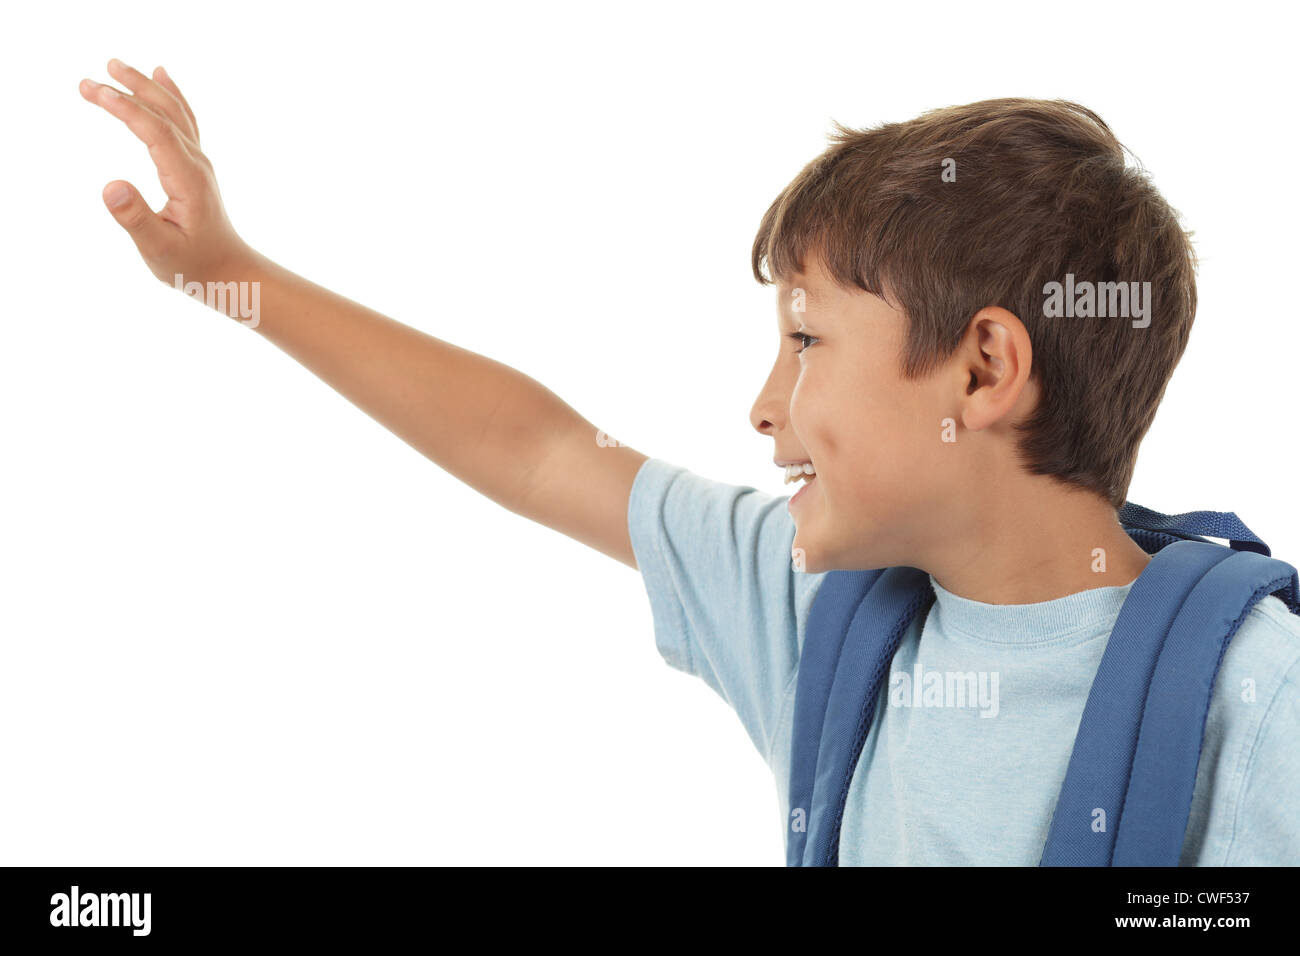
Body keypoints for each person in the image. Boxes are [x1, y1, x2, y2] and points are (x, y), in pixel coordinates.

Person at [80, 60, 1300, 864]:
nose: (763, 406)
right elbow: (543, 446)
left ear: (981, 371)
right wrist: (230, 276)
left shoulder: (1260, 699)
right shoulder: (822, 605)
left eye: (806, 339)